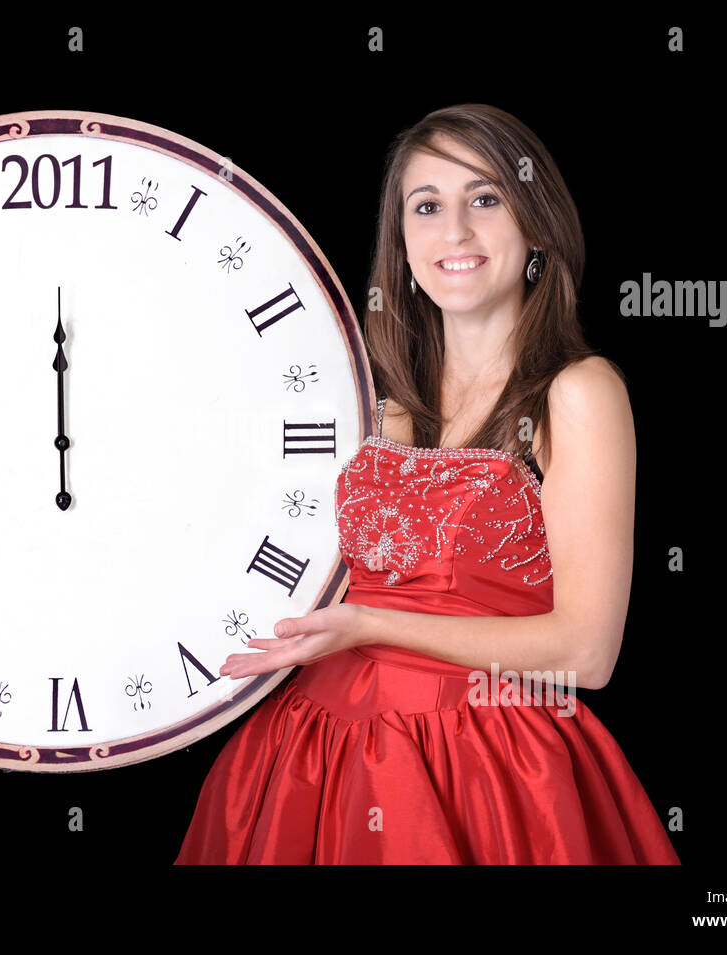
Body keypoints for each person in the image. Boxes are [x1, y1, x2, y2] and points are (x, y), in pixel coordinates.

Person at [172, 104, 681, 865]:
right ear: (402, 241)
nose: (456, 234)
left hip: (481, 761)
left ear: (536, 225)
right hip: (313, 754)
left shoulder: (578, 391)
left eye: (484, 199)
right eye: (427, 206)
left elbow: (587, 651)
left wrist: (371, 626)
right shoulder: (380, 398)